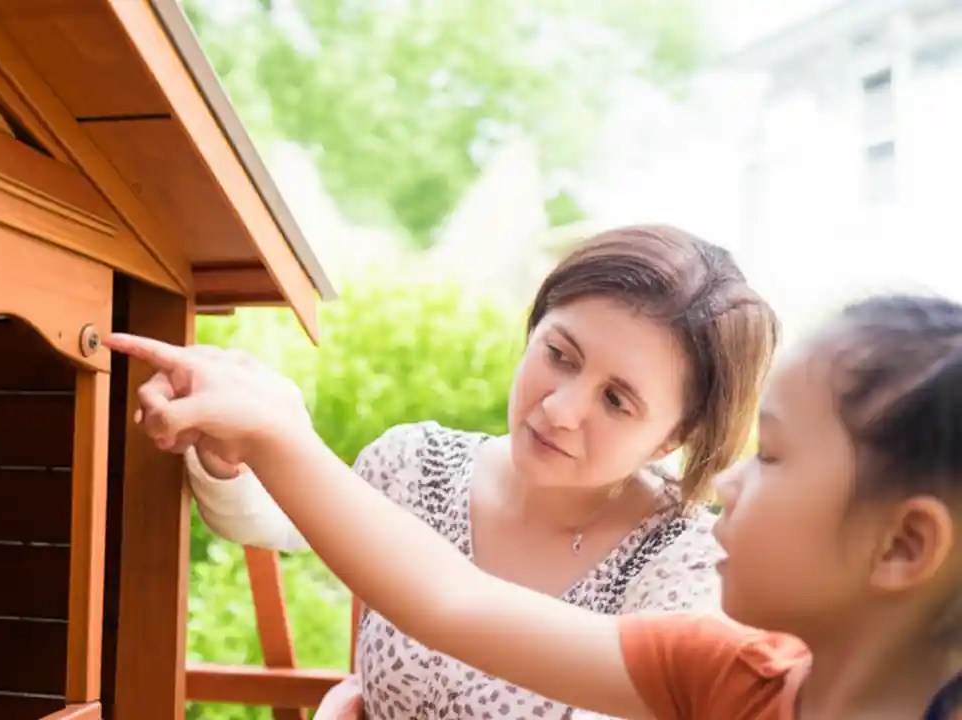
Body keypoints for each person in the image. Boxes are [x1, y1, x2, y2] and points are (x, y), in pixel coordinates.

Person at [111, 292, 962, 719]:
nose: (728, 483)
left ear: (904, 546)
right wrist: (272, 434)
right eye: (558, 354)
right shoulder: (725, 676)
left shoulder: (684, 575)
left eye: (771, 456)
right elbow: (453, 601)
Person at [141, 225, 779, 718]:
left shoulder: (688, 574)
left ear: (675, 436)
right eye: (559, 354)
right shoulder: (418, 463)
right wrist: (231, 452)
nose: (560, 410)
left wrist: (280, 435)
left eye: (617, 401)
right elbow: (284, 518)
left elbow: (453, 604)